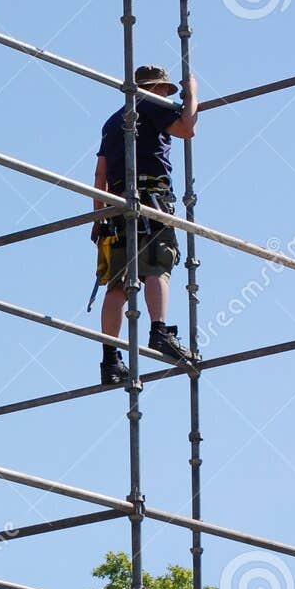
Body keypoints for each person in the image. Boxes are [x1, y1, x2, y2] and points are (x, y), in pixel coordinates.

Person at [93, 63, 198, 385]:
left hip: (118, 205)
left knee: (117, 284)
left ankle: (110, 359)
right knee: (156, 267)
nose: (170, 97)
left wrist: (98, 217)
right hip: (152, 198)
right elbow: (186, 128)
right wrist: (193, 92)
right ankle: (159, 331)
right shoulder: (151, 105)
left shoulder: (113, 121)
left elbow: (100, 175)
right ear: (154, 89)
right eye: (166, 91)